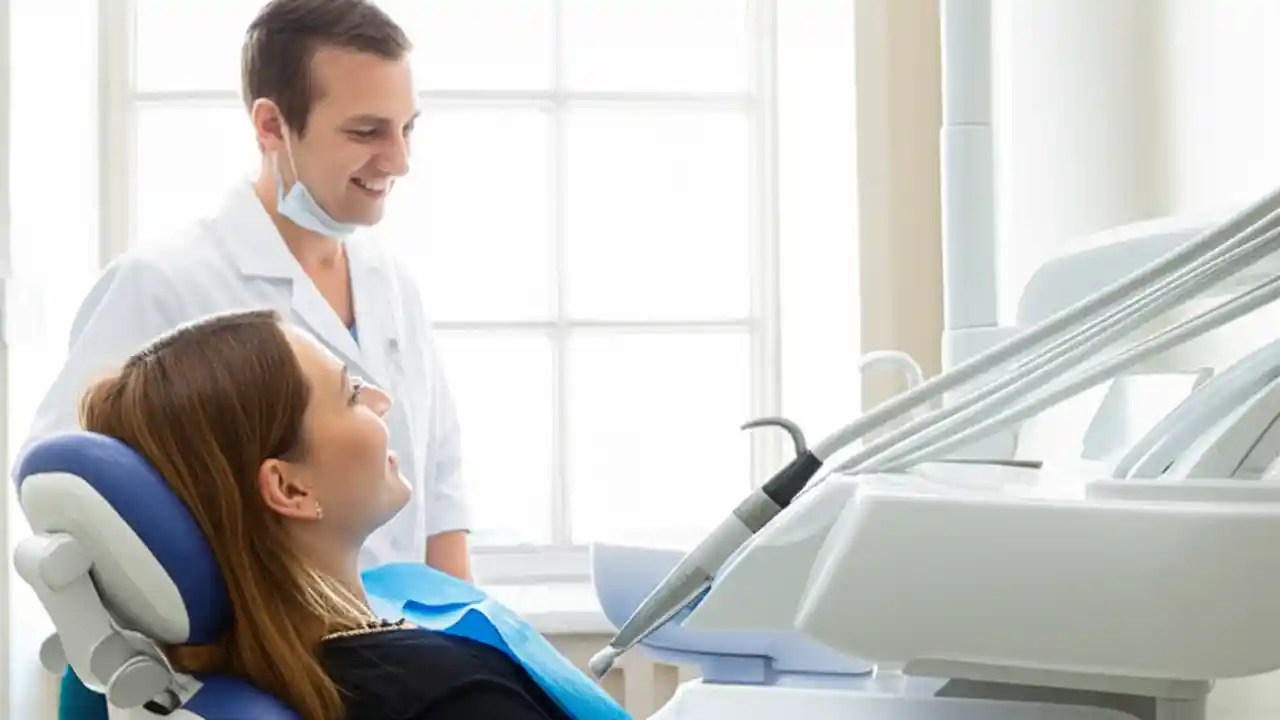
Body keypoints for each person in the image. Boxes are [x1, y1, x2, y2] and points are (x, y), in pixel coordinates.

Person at [19, 1, 471, 714]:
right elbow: (81, 509)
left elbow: (440, 486)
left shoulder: (393, 285)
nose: (401, 160)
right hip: (276, 670)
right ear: (270, 126)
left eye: (408, 128)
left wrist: (465, 642)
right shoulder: (166, 283)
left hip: (391, 657)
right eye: (366, 131)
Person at [76, 309, 573, 720]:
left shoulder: (252, 670)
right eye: (352, 394)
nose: (382, 401)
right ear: (290, 487)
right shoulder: (450, 697)